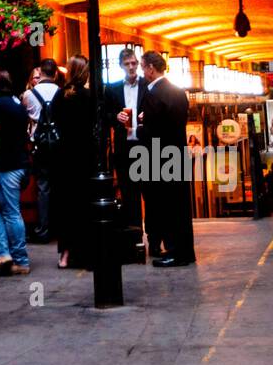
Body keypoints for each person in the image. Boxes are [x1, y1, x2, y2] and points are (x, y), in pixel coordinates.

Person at [138, 50, 195, 268]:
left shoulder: (154, 94)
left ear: (151, 68)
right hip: (178, 154)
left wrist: (137, 128)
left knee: (167, 206)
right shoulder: (178, 92)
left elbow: (153, 133)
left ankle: (174, 252)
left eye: (144, 67)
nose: (143, 72)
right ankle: (186, 251)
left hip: (161, 159)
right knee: (181, 206)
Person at [0, 70, 31, 277]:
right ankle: (2, 253)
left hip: (6, 167)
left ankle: (20, 260)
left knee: (11, 213)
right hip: (21, 164)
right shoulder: (17, 104)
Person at [51, 55, 96, 268]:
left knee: (67, 206)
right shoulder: (91, 97)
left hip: (64, 158)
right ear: (85, 72)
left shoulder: (61, 96)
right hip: (86, 157)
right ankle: (87, 252)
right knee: (86, 205)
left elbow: (55, 123)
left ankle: (65, 255)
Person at [104, 48, 149, 242]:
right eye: (127, 64)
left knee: (149, 192)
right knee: (129, 195)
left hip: (146, 146)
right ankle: (135, 238)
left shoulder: (148, 85)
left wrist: (147, 116)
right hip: (124, 147)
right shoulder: (112, 88)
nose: (131, 67)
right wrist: (115, 117)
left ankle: (154, 240)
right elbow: (104, 116)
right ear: (121, 66)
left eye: (134, 63)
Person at [23, 58, 61, 243]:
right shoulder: (61, 93)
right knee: (60, 186)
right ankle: (60, 227)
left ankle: (43, 229)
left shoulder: (29, 95)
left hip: (40, 145)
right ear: (55, 73)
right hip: (58, 144)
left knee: (43, 187)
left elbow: (26, 118)